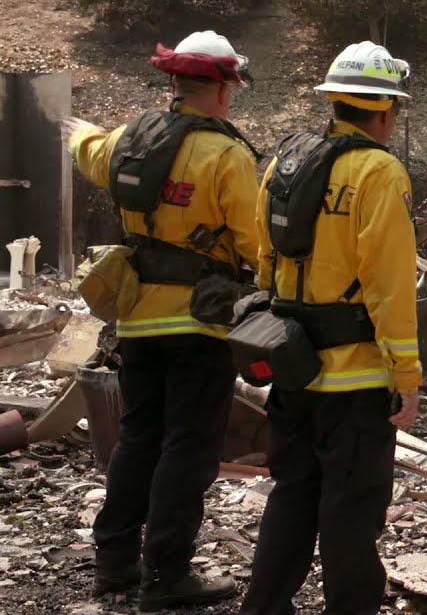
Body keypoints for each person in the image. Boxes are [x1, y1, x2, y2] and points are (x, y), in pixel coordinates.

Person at [65, 31, 261, 610]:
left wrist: (78, 133)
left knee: (138, 436)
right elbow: (256, 244)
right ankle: (167, 575)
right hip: (199, 324)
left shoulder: (131, 139)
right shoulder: (227, 155)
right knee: (190, 447)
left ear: (174, 85)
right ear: (223, 89)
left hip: (135, 319)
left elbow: (91, 150)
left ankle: (115, 562)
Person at [238, 41, 422, 615]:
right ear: (387, 110)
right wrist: (407, 375)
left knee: (292, 493)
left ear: (334, 102)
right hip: (357, 378)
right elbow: (389, 283)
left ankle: (263, 605)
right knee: (350, 507)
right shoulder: (380, 172)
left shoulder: (285, 164)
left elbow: (264, 260)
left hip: (291, 363)